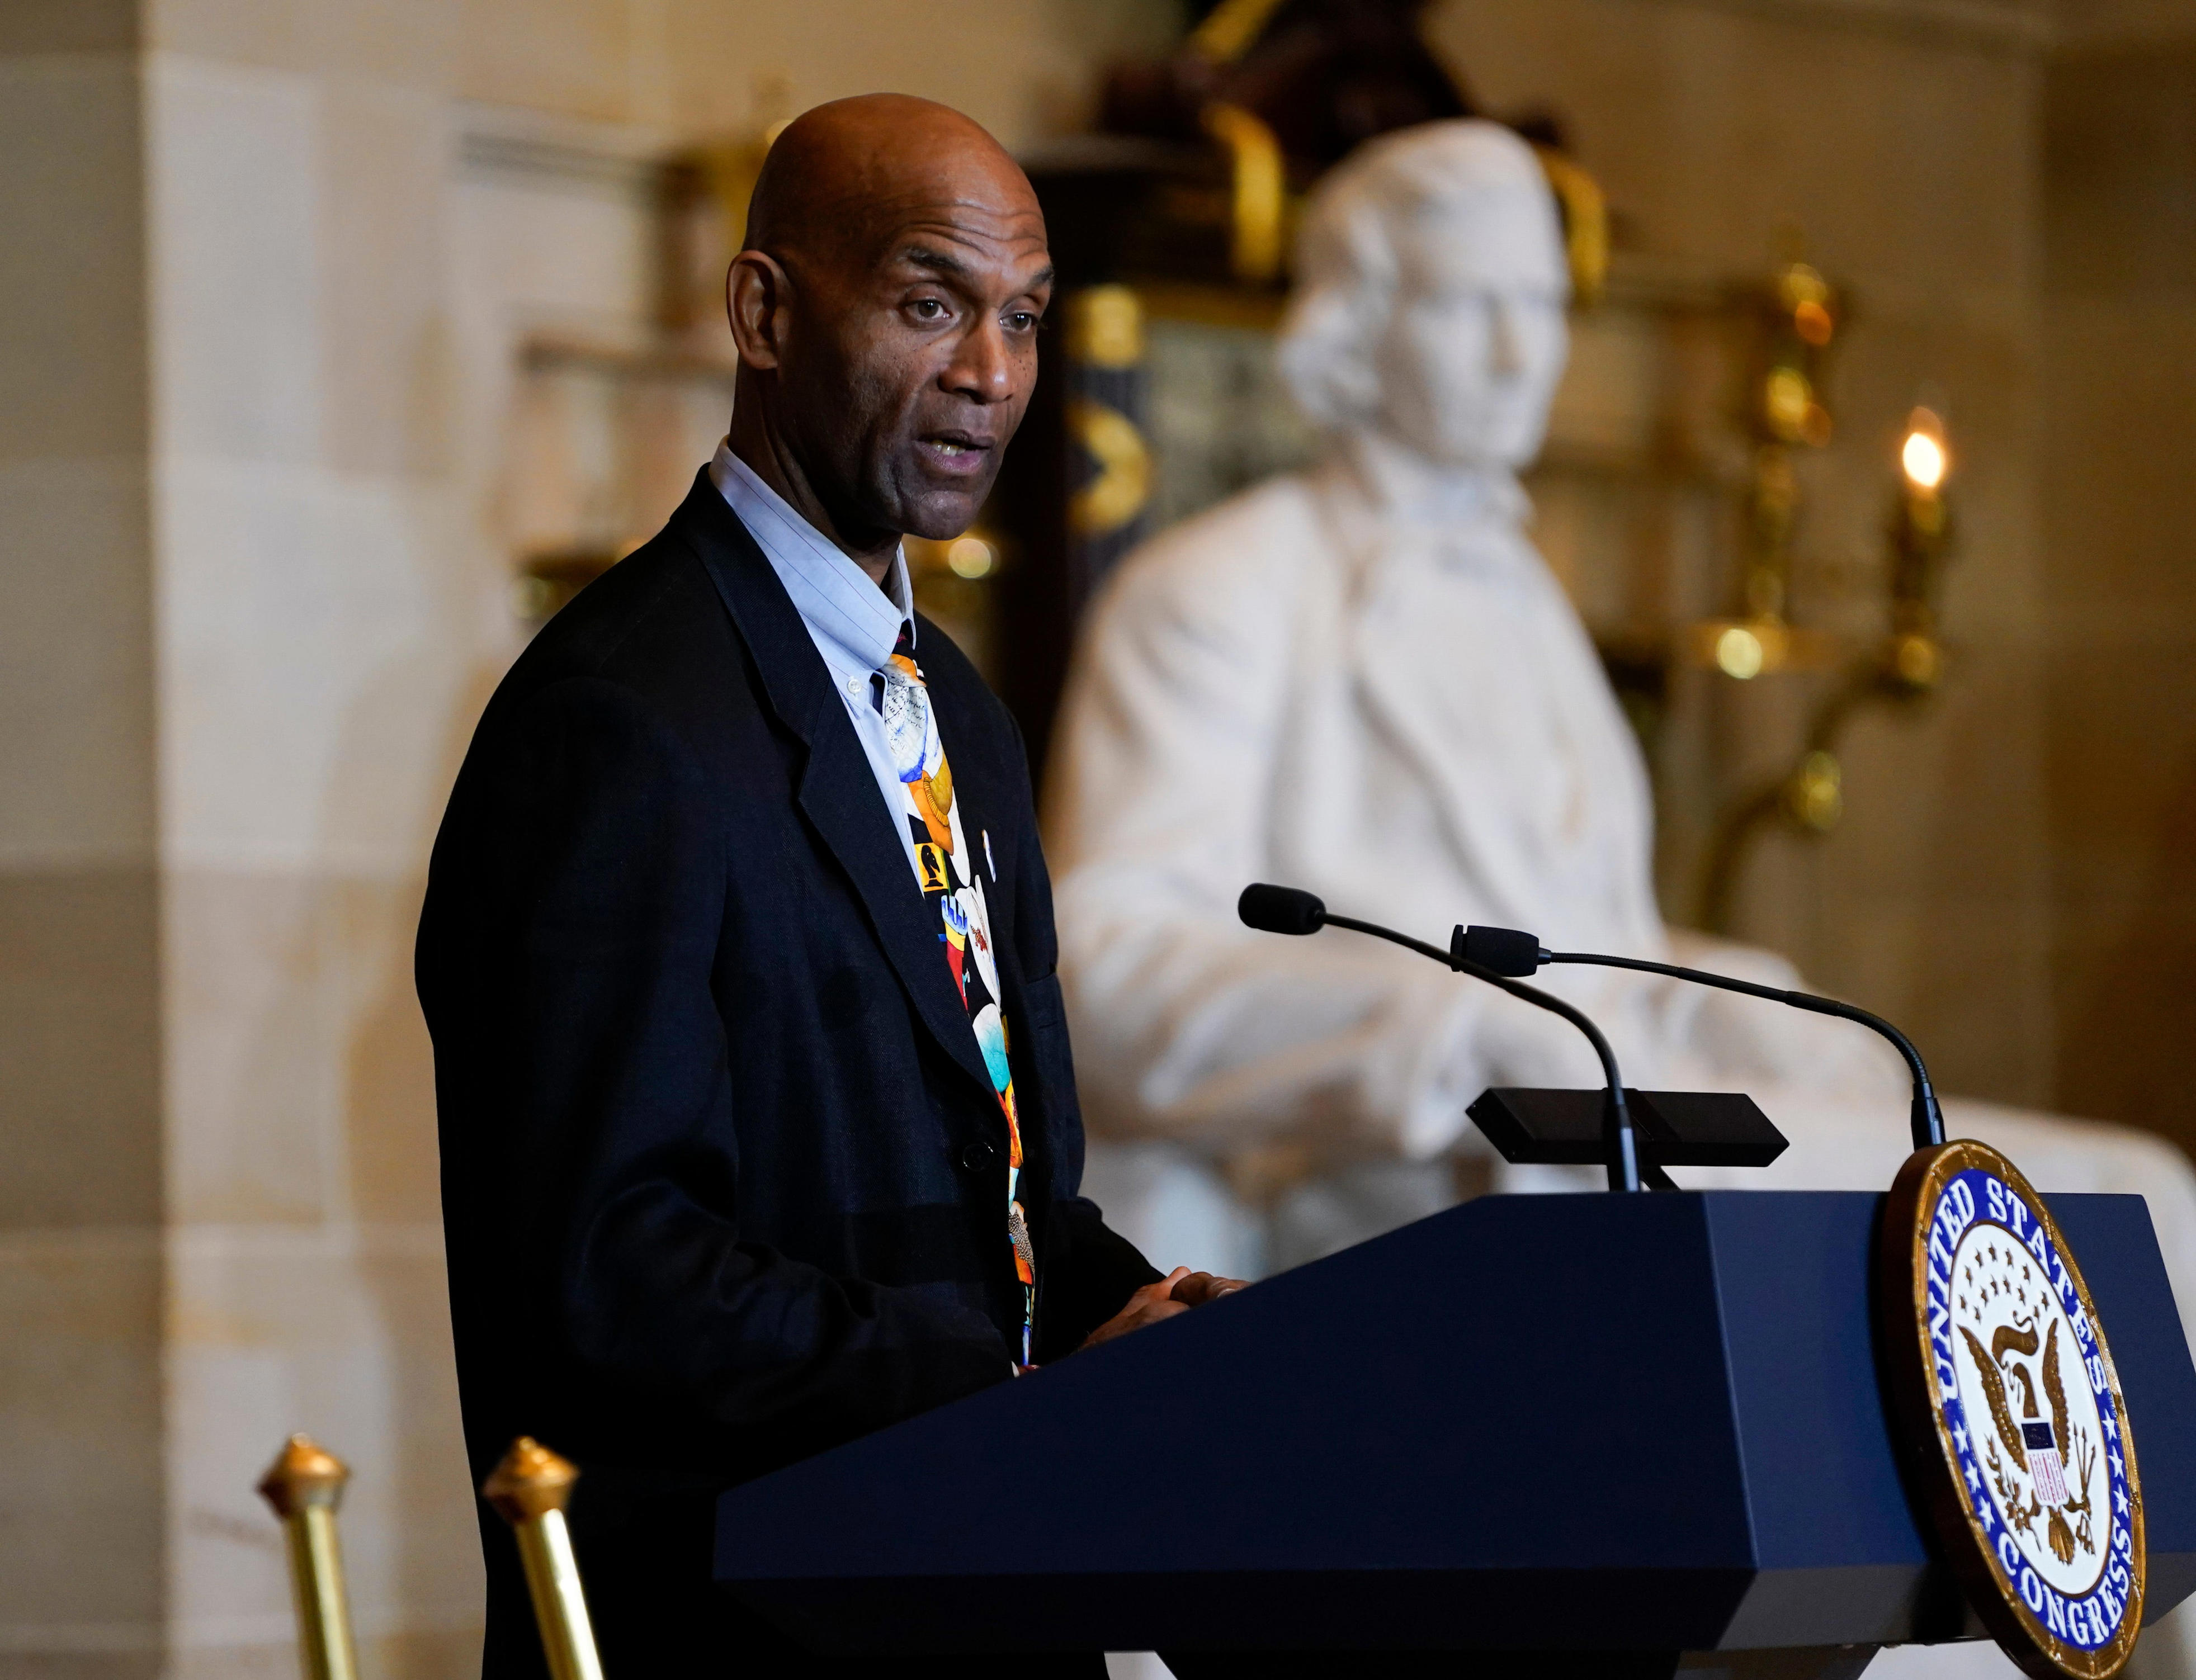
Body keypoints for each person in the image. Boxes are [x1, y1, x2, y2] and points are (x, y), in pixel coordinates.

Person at [1043, 120, 2196, 1344]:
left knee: (2134, 1193)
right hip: (1392, 1144)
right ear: (1357, 321)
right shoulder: (1215, 588)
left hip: (1612, 1099)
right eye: (1463, 305)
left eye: (1538, 305)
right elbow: (1109, 967)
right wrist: (1443, 1036)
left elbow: (1590, 940)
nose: (1513, 355)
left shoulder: (1524, 594)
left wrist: (1738, 994)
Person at [418, 93, 1243, 1679]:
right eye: (929, 303)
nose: (990, 374)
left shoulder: (968, 719)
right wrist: (1005, 1402)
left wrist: (1170, 1322)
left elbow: (1003, 1196)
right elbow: (608, 1258)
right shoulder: (620, 718)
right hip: (742, 1623)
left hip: (981, 1599)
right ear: (765, 312)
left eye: (1021, 317)